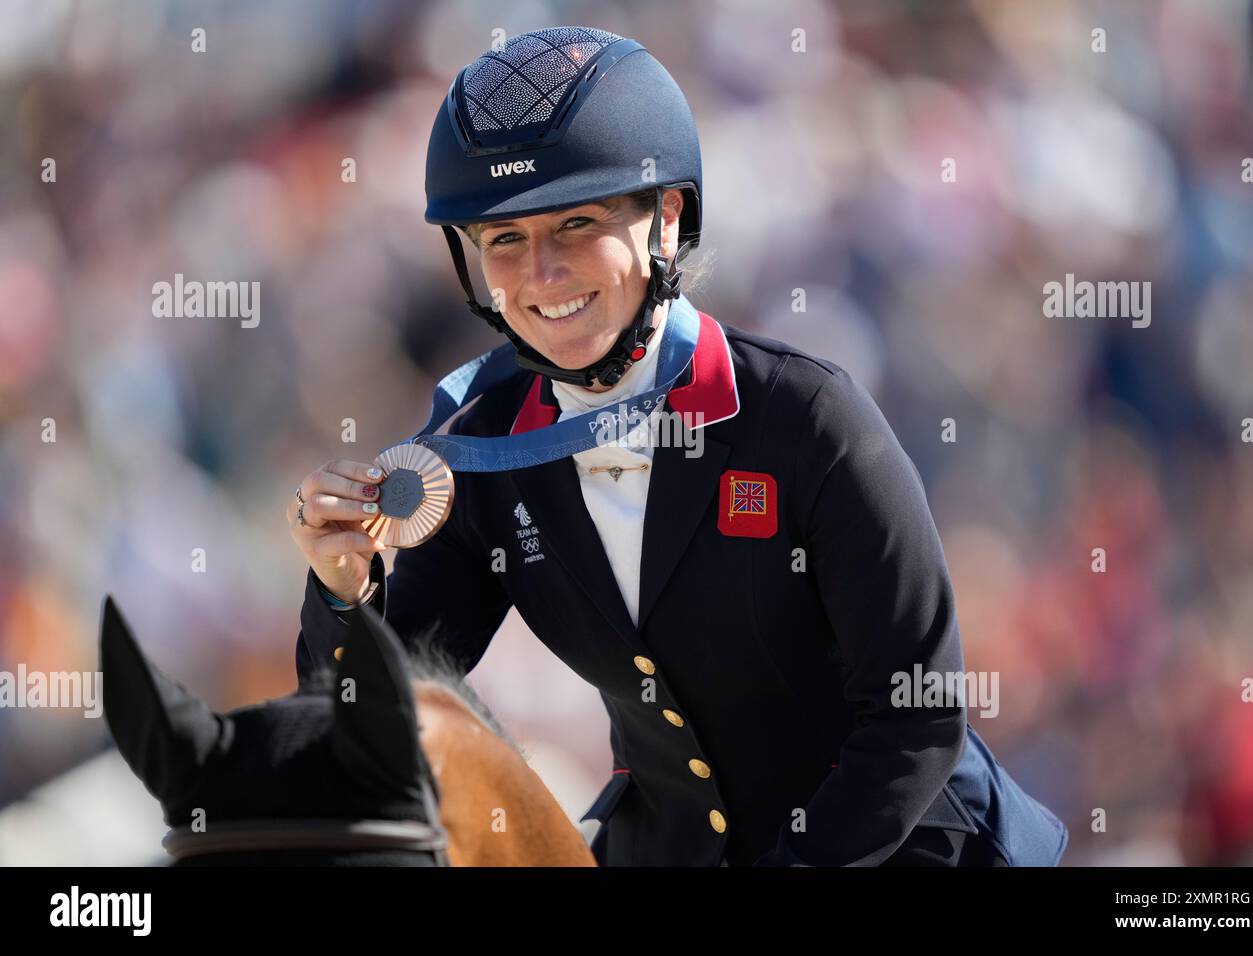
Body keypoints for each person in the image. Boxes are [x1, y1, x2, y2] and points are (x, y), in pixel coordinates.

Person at [287, 26, 1068, 867]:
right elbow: (375, 727)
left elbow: (915, 715)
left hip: (897, 849)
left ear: (665, 218)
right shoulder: (482, 452)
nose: (541, 272)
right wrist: (342, 596)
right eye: (504, 240)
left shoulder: (806, 418)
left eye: (576, 224)